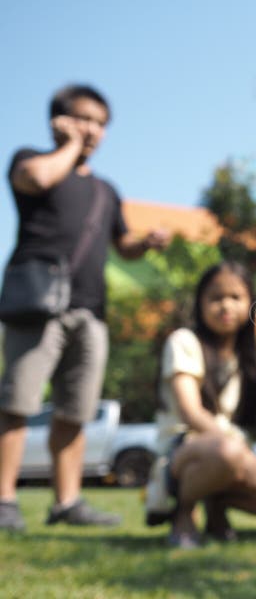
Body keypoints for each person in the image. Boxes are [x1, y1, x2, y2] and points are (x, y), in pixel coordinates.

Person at [0, 84, 170, 531]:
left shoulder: (105, 191)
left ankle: (67, 501)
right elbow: (35, 180)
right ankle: (3, 501)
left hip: (90, 311)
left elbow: (124, 245)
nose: (92, 130)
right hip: (37, 304)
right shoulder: (29, 159)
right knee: (17, 405)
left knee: (73, 412)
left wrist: (146, 243)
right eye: (82, 119)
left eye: (99, 123)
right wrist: (70, 145)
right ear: (58, 120)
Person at [145, 261, 256, 548]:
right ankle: (183, 513)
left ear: (249, 304)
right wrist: (244, 455)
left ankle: (216, 506)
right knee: (228, 450)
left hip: (230, 453)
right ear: (200, 302)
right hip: (184, 450)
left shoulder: (252, 361)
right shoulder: (184, 341)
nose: (225, 306)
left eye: (235, 297)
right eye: (215, 297)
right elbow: (190, 412)